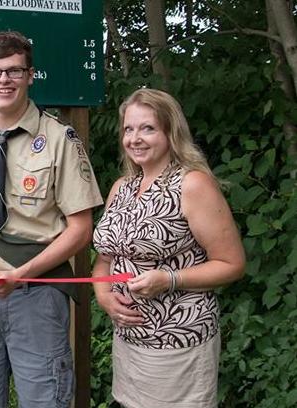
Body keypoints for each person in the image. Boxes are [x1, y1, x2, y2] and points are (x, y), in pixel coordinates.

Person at [0, 31, 104, 407]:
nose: (3, 81)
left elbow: (80, 228)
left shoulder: (61, 139)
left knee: (46, 401)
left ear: (30, 75)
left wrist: (21, 274)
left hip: (37, 296)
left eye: (13, 71)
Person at [91, 88, 245, 408]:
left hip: (179, 344)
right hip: (129, 342)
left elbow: (231, 263)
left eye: (148, 128)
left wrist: (168, 278)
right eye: (129, 129)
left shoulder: (192, 184)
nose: (136, 138)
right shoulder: (122, 187)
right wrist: (104, 295)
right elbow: (104, 260)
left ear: (170, 132)